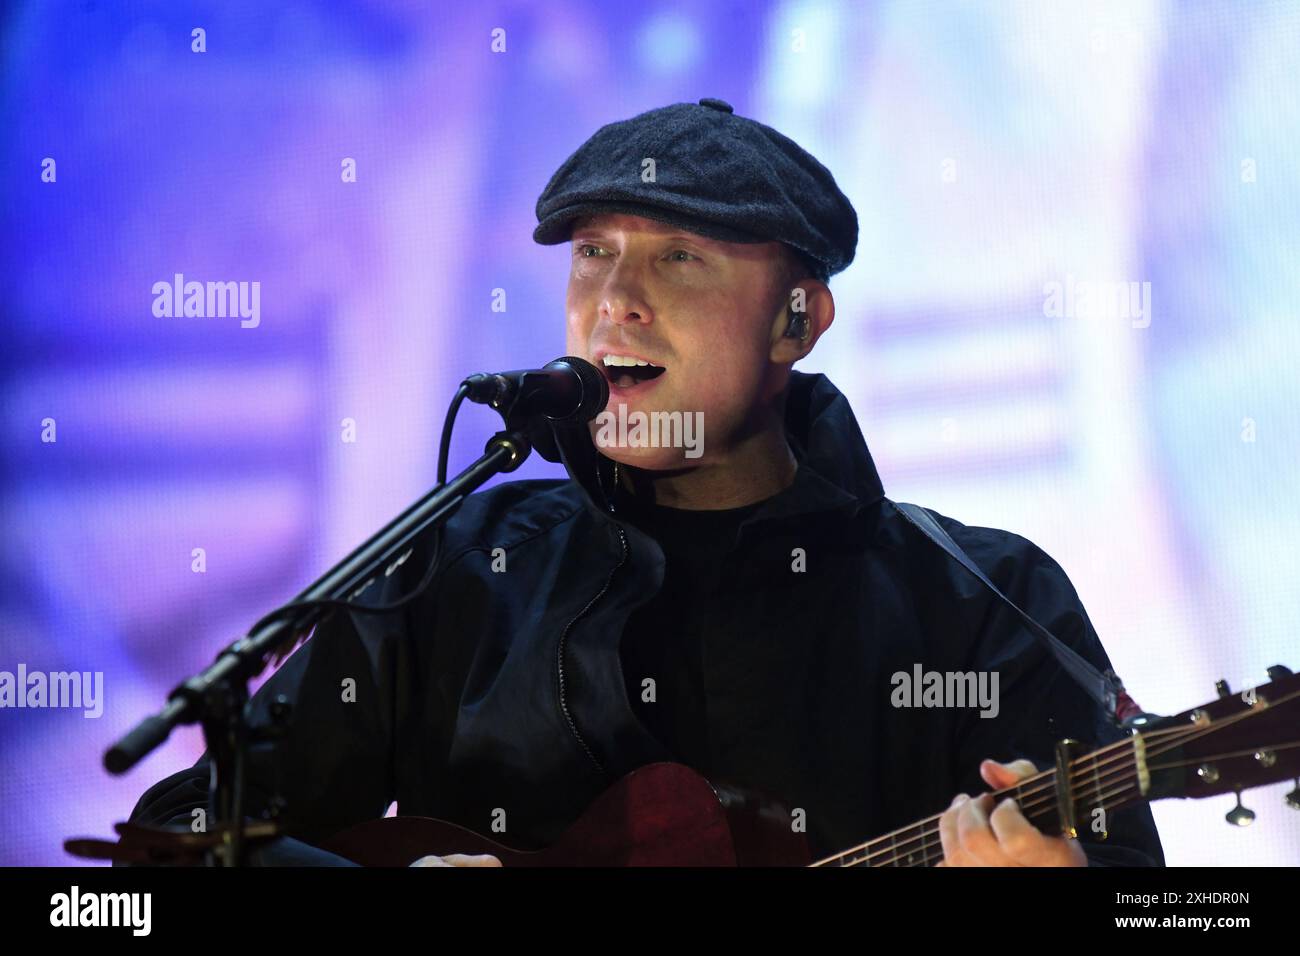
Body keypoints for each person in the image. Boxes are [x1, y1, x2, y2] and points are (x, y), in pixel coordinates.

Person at [125, 99, 1164, 867]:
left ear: (795, 320)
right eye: (592, 253)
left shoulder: (986, 600)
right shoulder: (454, 563)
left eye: (679, 257)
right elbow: (181, 834)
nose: (614, 299)